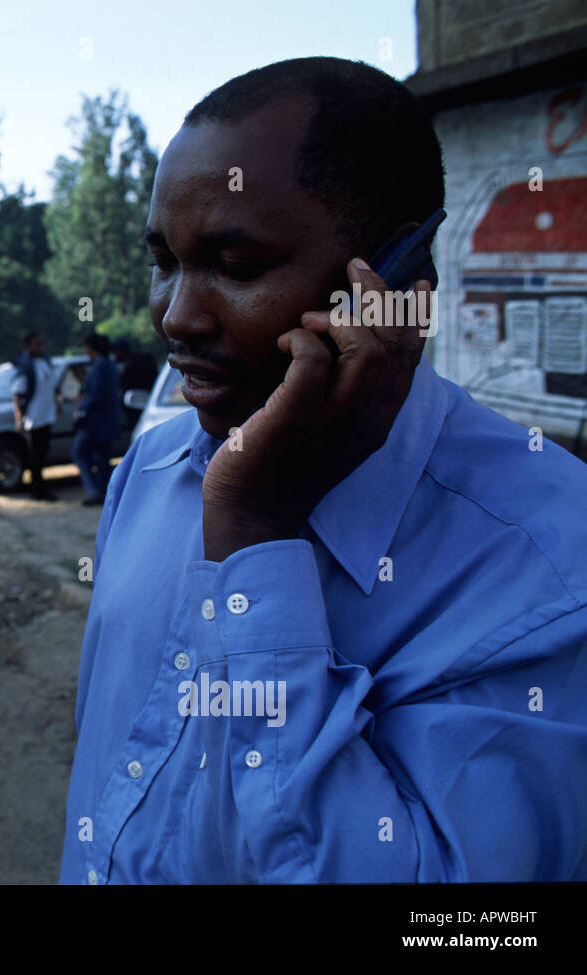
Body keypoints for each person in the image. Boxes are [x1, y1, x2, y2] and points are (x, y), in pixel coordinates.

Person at [61, 56, 587, 884]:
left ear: (396, 284)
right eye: (165, 259)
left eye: (235, 266)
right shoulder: (155, 468)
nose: (176, 314)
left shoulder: (550, 570)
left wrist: (254, 535)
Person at [71, 332, 123, 506]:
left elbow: (96, 395)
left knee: (79, 452)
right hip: (106, 421)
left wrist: (81, 409)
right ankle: (103, 492)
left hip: (96, 422)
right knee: (102, 460)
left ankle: (94, 491)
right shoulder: (109, 364)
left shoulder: (100, 366)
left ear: (89, 348)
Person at [11, 332, 59, 501]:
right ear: (29, 346)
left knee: (43, 453)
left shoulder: (45, 362)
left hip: (47, 415)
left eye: (42, 344)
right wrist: (19, 418)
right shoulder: (26, 367)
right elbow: (17, 395)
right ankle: (36, 488)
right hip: (34, 417)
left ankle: (41, 487)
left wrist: (57, 406)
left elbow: (52, 388)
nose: (41, 347)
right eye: (37, 344)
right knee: (36, 455)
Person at [111, 338, 159, 431]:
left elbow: (123, 386)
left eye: (115, 352)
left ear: (120, 351)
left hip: (136, 405)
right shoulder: (143, 357)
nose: (114, 356)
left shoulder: (130, 365)